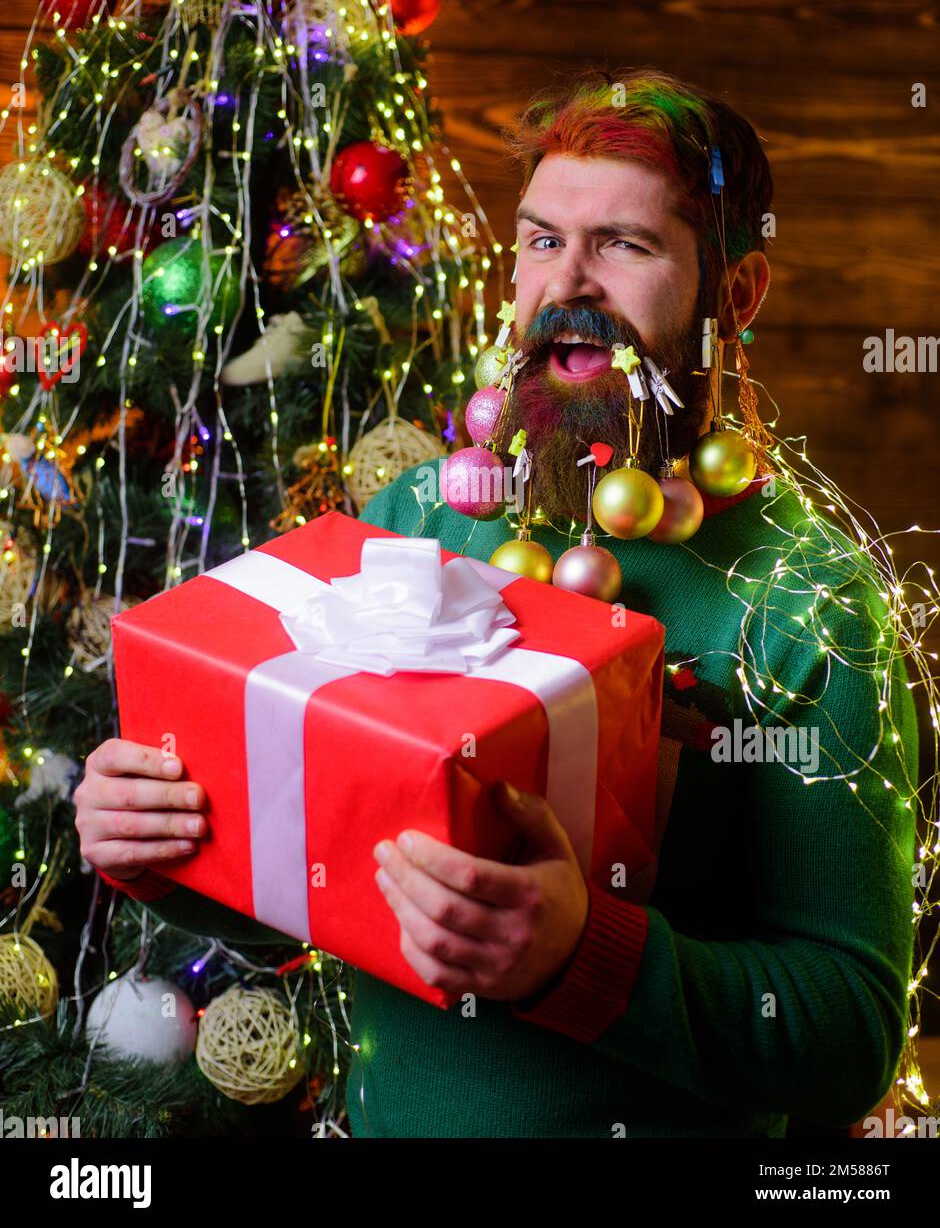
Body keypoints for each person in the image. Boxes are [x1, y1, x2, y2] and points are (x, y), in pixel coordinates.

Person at [75, 67, 917, 1138]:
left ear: (735, 294)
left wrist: (585, 956)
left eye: (624, 244)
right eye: (539, 239)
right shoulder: (414, 516)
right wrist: (169, 853)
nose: (567, 281)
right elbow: (314, 874)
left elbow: (846, 1033)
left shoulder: (810, 603)